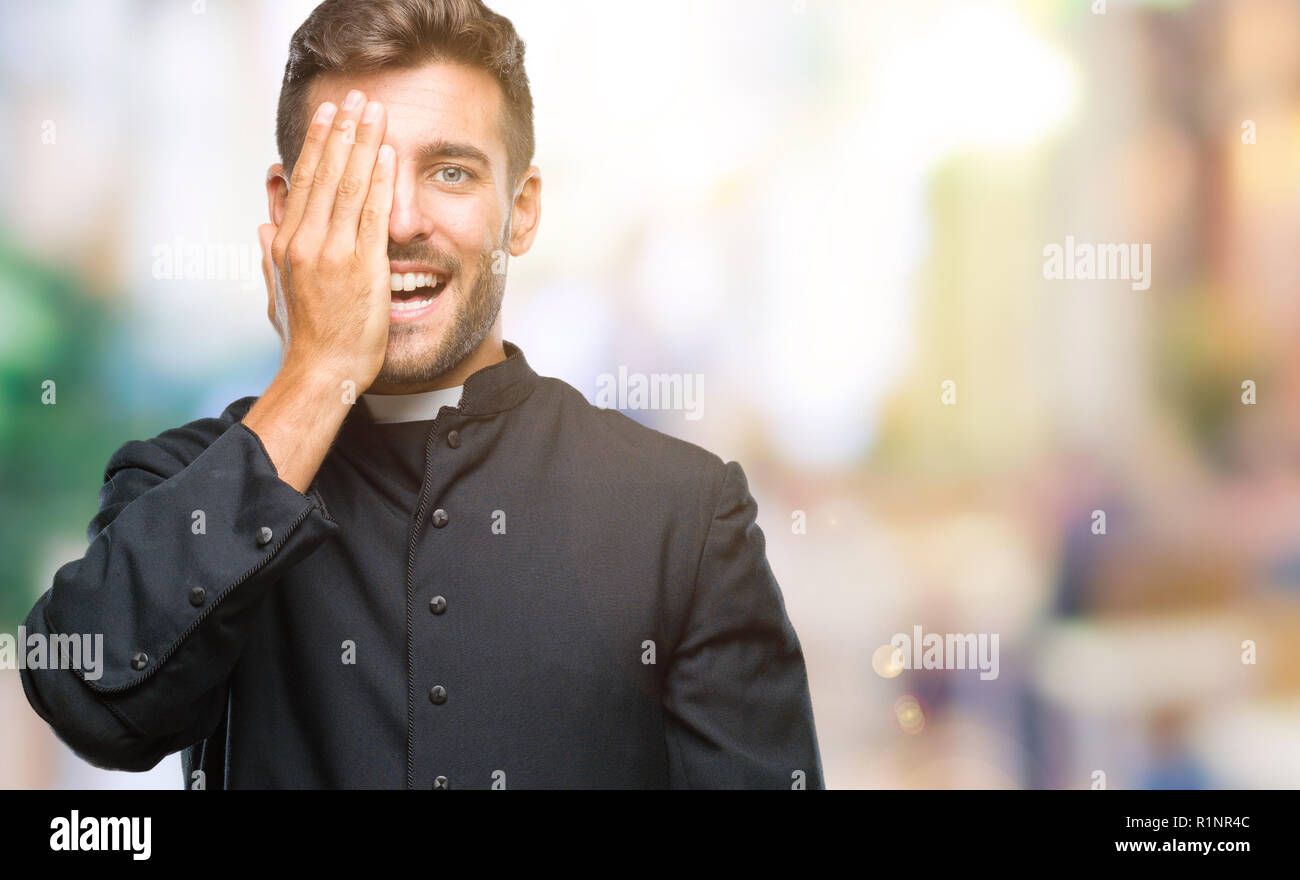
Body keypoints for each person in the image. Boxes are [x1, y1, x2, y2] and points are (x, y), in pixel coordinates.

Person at [20, 0, 823, 789]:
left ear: (523, 210)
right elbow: (90, 699)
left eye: (450, 172)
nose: (402, 220)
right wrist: (316, 372)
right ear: (285, 207)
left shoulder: (683, 513)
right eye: (357, 177)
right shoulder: (178, 482)